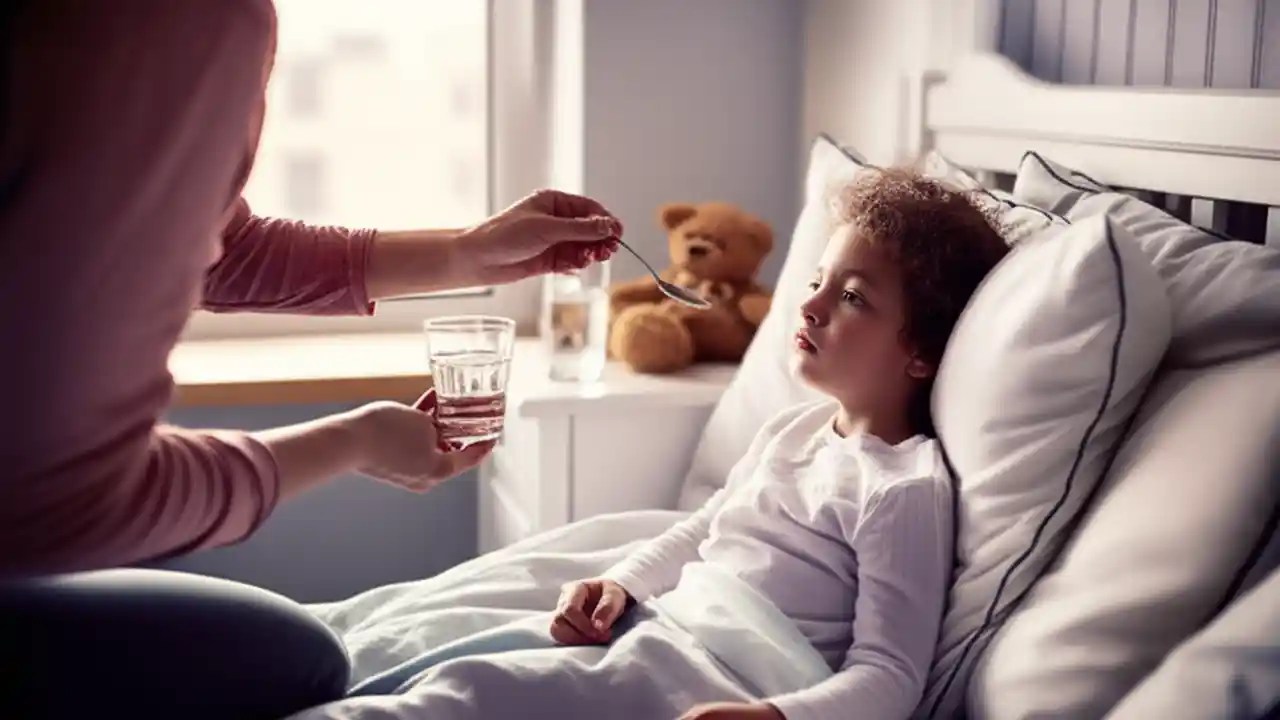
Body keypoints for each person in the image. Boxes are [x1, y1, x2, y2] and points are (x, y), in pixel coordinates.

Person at [0, 2, 620, 718]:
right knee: (300, 658)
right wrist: (352, 441)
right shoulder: (180, 26)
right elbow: (60, 500)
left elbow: (219, 244)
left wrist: (465, 253)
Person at [549, 169, 1010, 720]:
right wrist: (619, 585)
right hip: (671, 629)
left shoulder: (901, 488)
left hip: (731, 679)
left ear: (923, 352)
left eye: (852, 297)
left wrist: (775, 716)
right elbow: (706, 527)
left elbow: (891, 675)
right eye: (818, 282)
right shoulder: (794, 429)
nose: (811, 306)